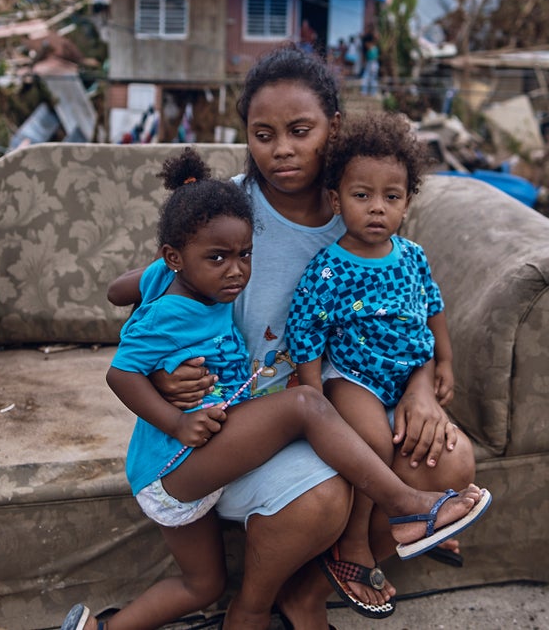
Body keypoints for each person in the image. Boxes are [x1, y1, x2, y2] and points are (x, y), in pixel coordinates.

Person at [101, 45, 473, 627]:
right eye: (263, 134)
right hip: (249, 416)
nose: (283, 150)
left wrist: (422, 386)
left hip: (354, 394)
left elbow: (409, 312)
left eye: (301, 130)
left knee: (450, 464)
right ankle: (252, 607)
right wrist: (162, 374)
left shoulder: (367, 207)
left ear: (334, 128)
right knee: (325, 497)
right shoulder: (223, 212)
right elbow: (156, 303)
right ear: (245, 135)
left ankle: (307, 591)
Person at [284, 112, 463, 607]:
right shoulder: (329, 268)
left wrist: (443, 364)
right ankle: (357, 538)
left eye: (392, 197)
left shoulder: (412, 257)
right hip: (353, 375)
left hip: (406, 376)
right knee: (376, 441)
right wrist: (314, 394)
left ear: (408, 200)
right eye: (362, 196)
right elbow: (306, 334)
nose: (377, 209)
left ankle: (431, 518)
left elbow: (434, 310)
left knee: (437, 448)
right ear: (336, 200)